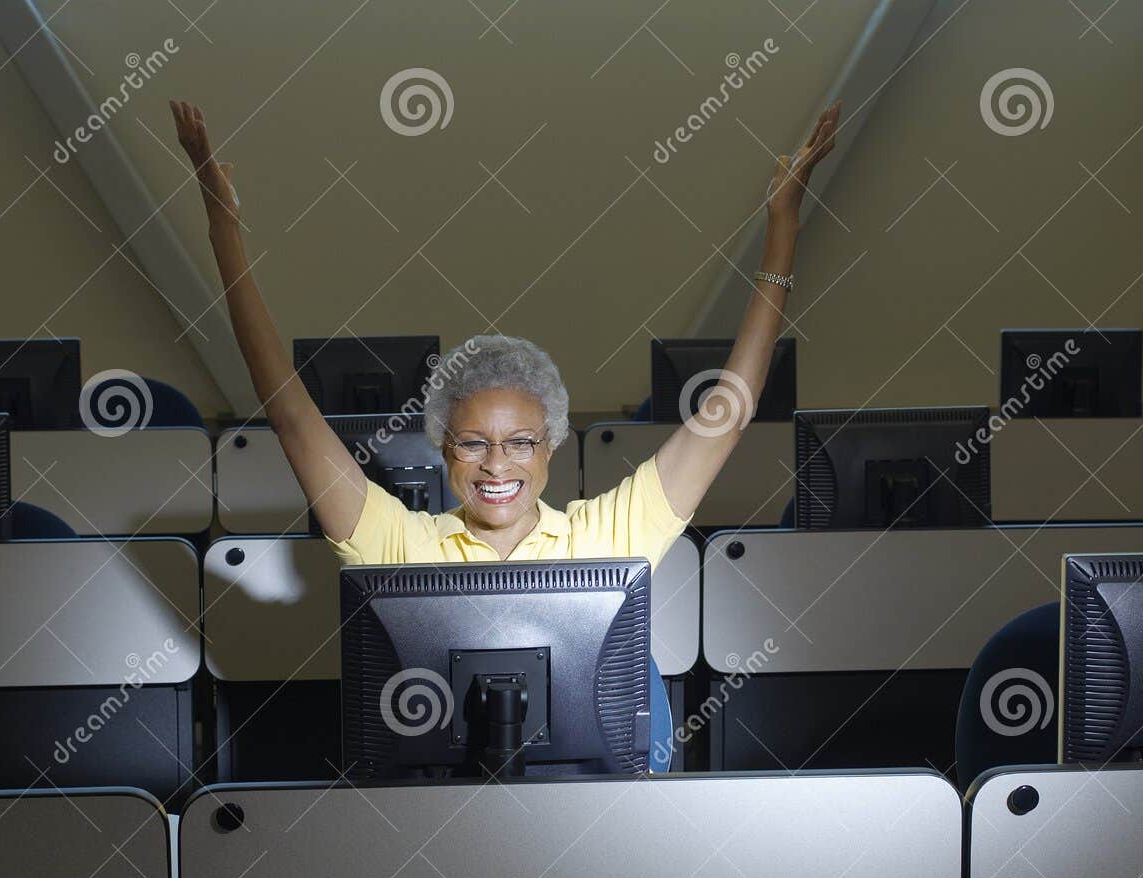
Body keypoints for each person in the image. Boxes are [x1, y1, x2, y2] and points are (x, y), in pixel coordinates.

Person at [170, 98, 838, 769]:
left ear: (549, 447)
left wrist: (783, 229)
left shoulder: (604, 535)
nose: (497, 465)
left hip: (588, 823)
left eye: (520, 441)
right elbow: (289, 414)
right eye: (473, 442)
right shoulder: (402, 544)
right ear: (442, 448)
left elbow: (731, 409)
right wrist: (224, 234)